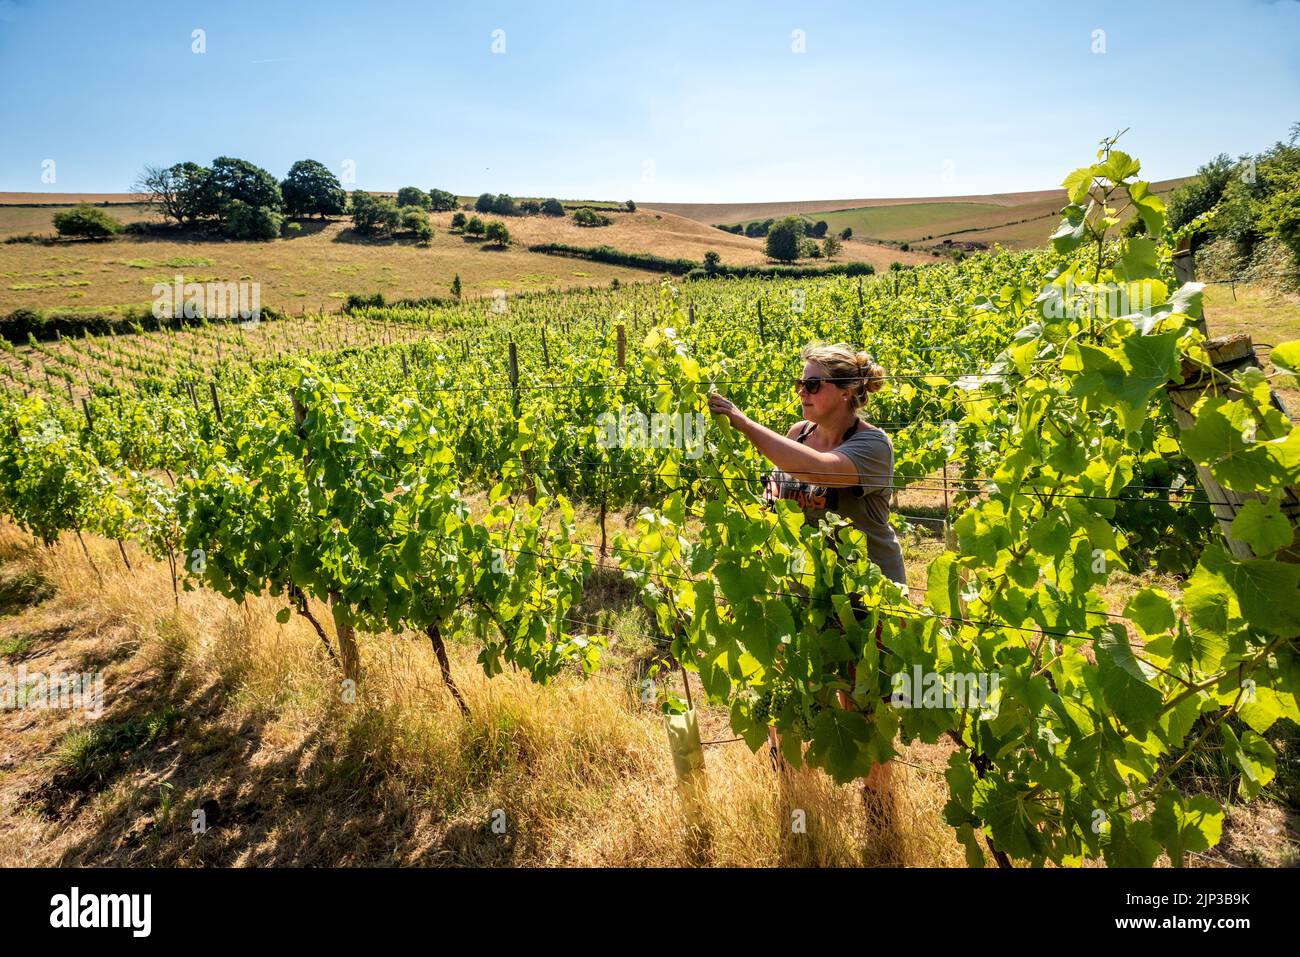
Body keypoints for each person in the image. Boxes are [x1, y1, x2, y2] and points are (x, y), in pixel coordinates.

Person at [707, 342, 906, 810]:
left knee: (864, 701)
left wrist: (740, 421)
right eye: (800, 382)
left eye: (812, 384)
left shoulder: (872, 445)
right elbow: (776, 495)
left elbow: (813, 469)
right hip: (805, 589)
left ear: (846, 391)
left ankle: (878, 808)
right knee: (792, 688)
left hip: (865, 592)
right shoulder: (799, 432)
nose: (802, 391)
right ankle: (792, 796)